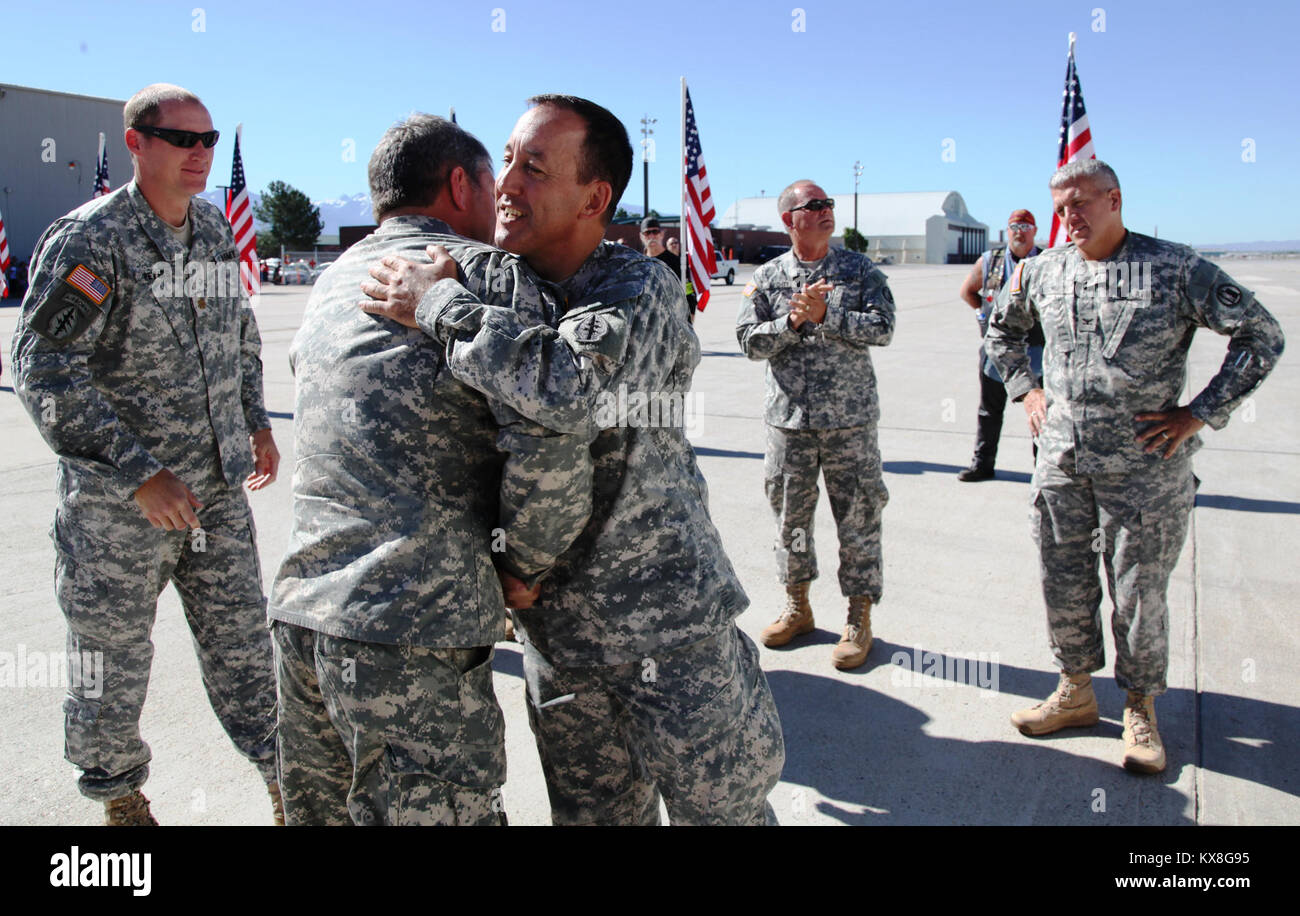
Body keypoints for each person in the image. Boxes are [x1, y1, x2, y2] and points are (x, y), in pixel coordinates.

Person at [360, 94, 784, 826]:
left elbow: (568, 389)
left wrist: (441, 306)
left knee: (728, 817)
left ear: (594, 197)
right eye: (510, 162)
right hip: (560, 642)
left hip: (670, 631)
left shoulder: (637, 286)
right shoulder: (506, 289)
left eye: (535, 168)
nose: (509, 184)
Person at [269, 114, 592, 826]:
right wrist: (525, 566)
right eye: (491, 179)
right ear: (458, 184)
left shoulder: (330, 280)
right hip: (413, 626)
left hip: (303, 618)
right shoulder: (488, 275)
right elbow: (551, 439)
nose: (502, 198)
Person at [10, 83, 282, 825]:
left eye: (208, 140)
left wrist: (255, 419)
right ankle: (120, 798)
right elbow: (43, 370)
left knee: (246, 650)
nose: (200, 154)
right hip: (121, 512)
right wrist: (139, 474)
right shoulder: (90, 239)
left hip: (216, 494)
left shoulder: (215, 234)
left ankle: (285, 781)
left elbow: (240, 340)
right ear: (136, 142)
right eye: (182, 139)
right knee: (112, 663)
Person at [986, 159, 1284, 773]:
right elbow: (999, 333)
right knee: (1063, 584)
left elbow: (1261, 334)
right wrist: (1027, 391)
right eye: (1059, 208)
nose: (1067, 218)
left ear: (1114, 199)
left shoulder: (1174, 268)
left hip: (1146, 469)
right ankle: (1074, 690)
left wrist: (1200, 412)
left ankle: (1140, 707)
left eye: (1079, 205)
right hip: (1063, 462)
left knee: (1139, 595)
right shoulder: (1041, 270)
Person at [736, 180, 895, 670]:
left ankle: (858, 616)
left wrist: (828, 314)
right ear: (789, 219)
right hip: (789, 423)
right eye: (815, 206)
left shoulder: (858, 269)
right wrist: (791, 323)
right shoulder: (766, 278)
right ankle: (798, 607)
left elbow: (883, 328)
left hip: (849, 422)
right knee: (791, 521)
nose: (827, 211)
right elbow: (747, 340)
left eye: (829, 204)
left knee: (859, 516)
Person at [955, 209, 1043, 481]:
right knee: (989, 410)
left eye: (1025, 226)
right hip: (996, 353)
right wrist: (984, 315)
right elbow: (967, 291)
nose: (1020, 231)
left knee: (1041, 411)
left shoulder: (1046, 261)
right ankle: (982, 464)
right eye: (1015, 226)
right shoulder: (990, 261)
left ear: (1034, 231)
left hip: (1037, 351)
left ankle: (1044, 469)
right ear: (1007, 232)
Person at [639, 215, 697, 322]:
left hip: (673, 322)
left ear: (661, 234)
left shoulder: (676, 262)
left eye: (655, 232)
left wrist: (690, 317)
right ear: (641, 236)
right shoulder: (639, 264)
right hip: (648, 324)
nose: (652, 236)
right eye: (647, 233)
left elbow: (688, 291)